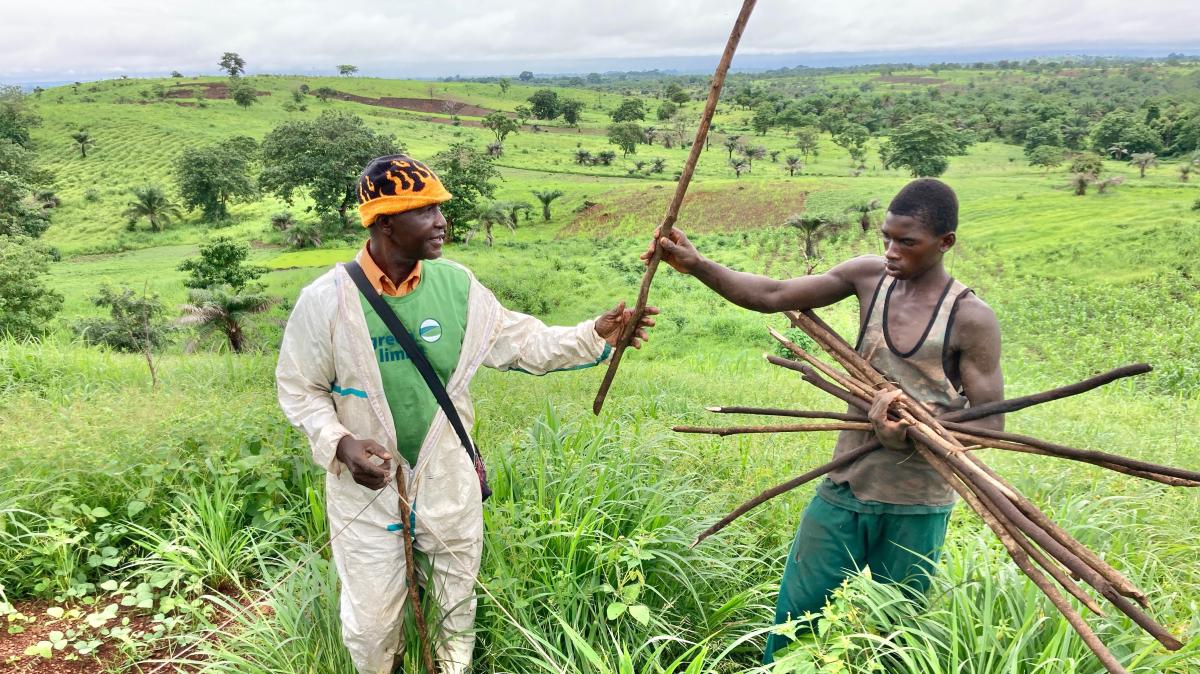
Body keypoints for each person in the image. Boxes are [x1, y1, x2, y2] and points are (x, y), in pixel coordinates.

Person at [276, 154, 657, 674]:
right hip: (365, 486)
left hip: (448, 474)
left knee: (456, 608)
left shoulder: (457, 286)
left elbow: (524, 343)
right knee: (371, 624)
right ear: (385, 223)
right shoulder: (326, 300)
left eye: (441, 209)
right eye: (425, 211)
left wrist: (595, 334)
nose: (442, 222)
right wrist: (340, 444)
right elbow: (299, 388)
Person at [642, 178, 1004, 661]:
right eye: (887, 238)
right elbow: (773, 293)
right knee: (796, 619)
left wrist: (911, 435)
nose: (891, 252)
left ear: (945, 242)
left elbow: (990, 427)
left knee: (893, 637)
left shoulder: (970, 317)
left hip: (917, 504)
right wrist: (698, 264)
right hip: (845, 486)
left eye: (907, 242)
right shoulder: (869, 278)